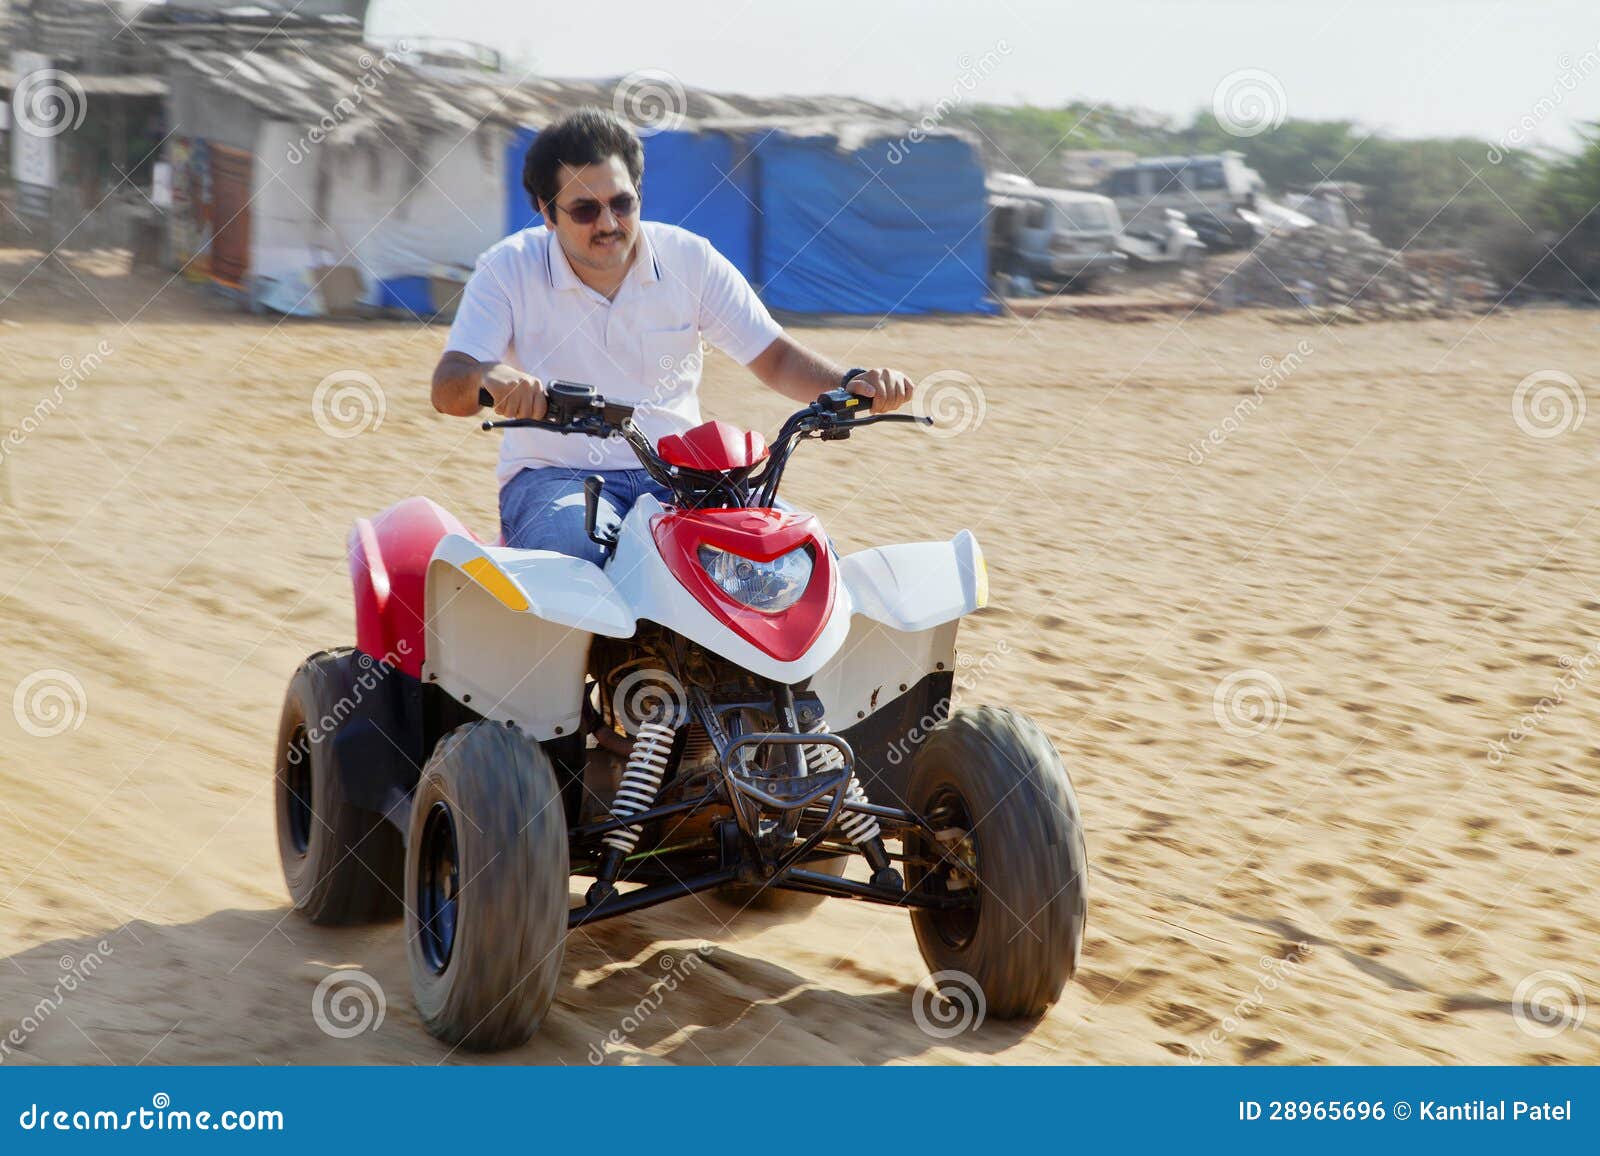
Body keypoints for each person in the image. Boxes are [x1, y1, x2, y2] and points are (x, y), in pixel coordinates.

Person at [431, 107, 916, 563]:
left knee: (798, 554)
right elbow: (448, 387)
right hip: (555, 477)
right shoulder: (506, 269)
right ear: (546, 210)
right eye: (584, 210)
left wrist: (851, 382)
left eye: (622, 203)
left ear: (639, 192)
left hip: (683, 476)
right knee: (574, 561)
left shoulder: (691, 259)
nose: (609, 223)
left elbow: (775, 356)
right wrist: (486, 376)